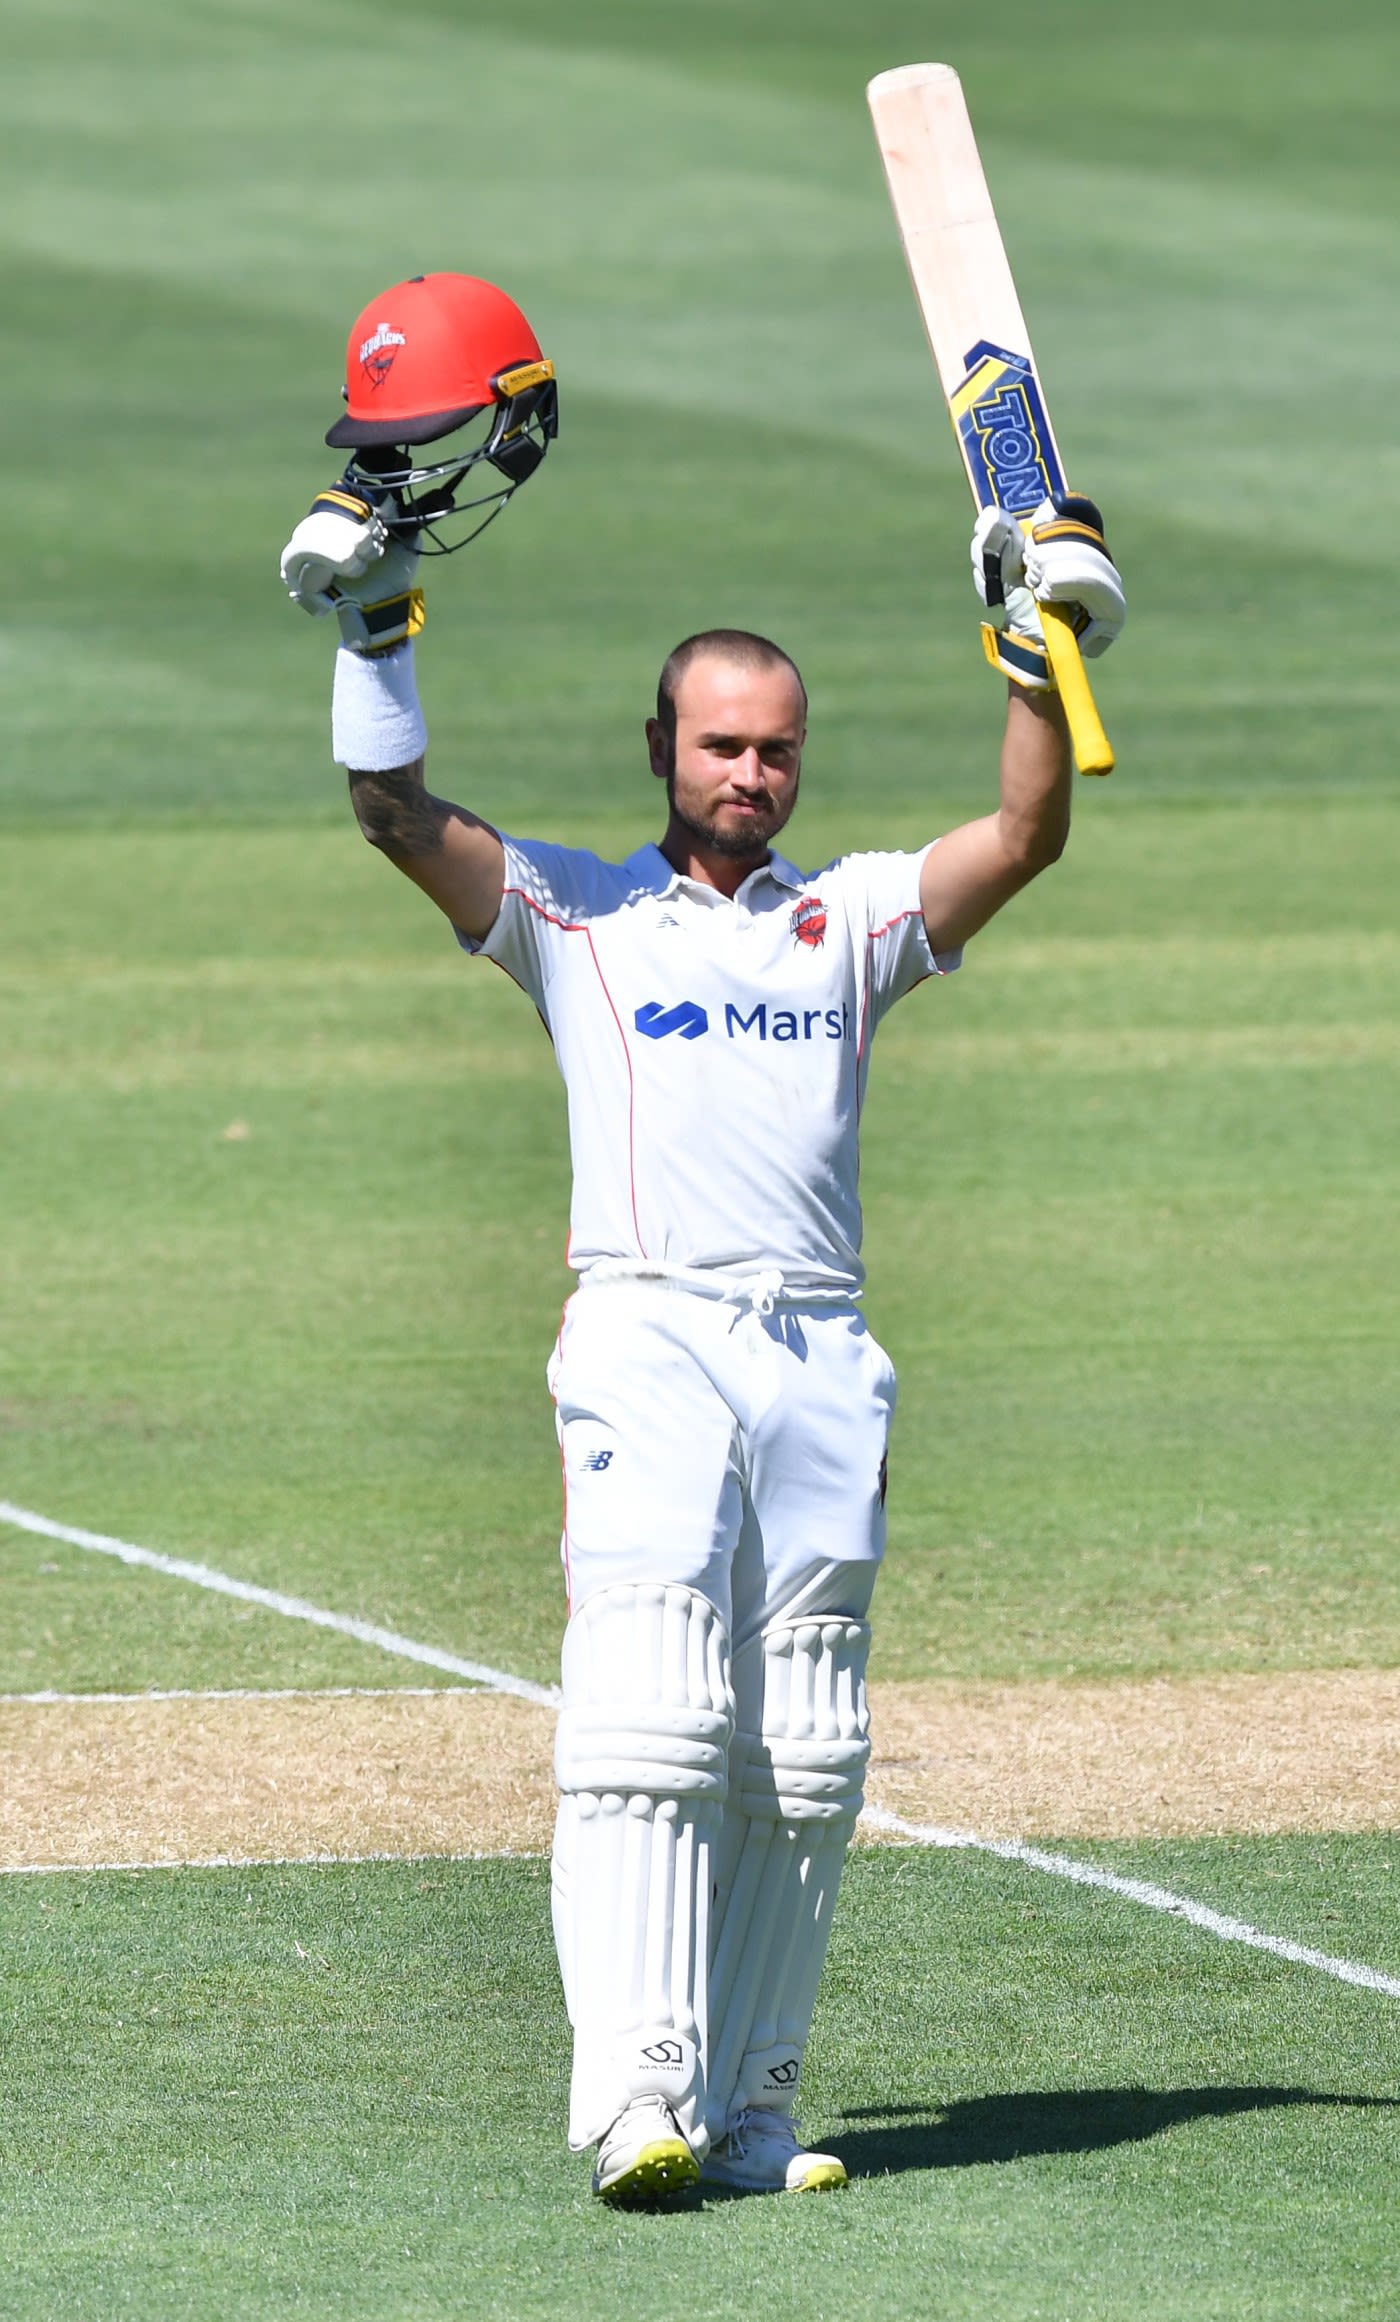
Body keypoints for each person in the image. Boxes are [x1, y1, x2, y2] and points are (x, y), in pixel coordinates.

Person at [281, 272, 1125, 2207]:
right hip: (651, 1335)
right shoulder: (582, 921)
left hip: (823, 1348)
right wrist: (373, 624)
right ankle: (632, 2101)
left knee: (807, 1751)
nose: (752, 773)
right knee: (654, 1710)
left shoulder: (846, 926)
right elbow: (393, 810)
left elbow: (1027, 836)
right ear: (662, 744)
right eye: (721, 744)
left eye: (778, 749)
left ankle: (750, 2111)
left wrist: (1035, 626)